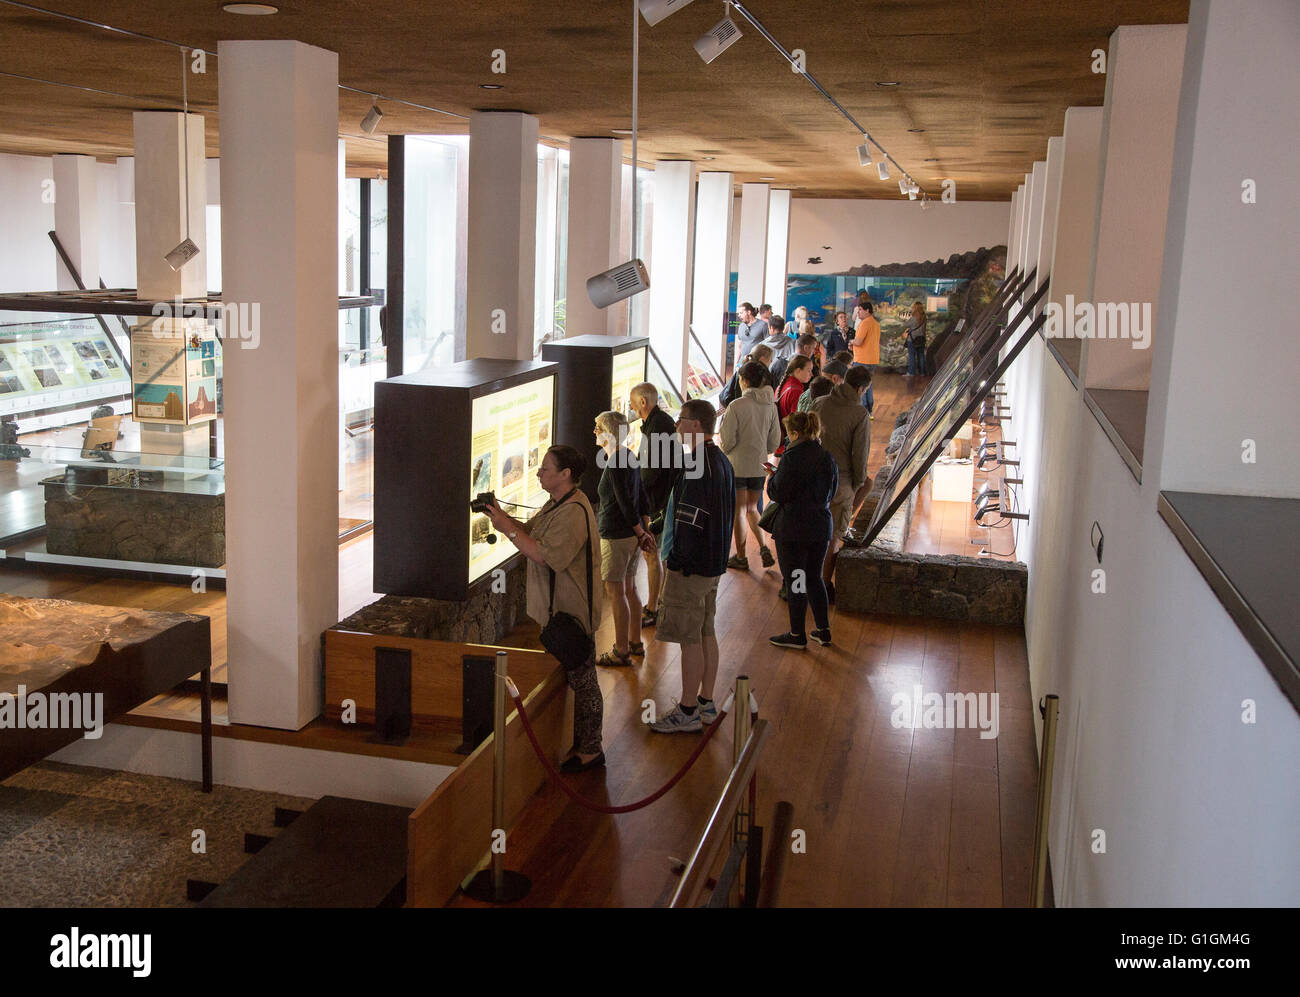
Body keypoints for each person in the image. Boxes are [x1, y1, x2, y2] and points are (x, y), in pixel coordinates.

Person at [484, 445, 606, 772]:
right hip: (560, 611)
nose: (538, 472)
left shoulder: (573, 512)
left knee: (583, 680)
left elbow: (543, 555)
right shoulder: (560, 503)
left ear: (565, 474)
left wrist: (507, 528)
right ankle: (574, 741)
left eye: (545, 469)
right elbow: (532, 534)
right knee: (572, 676)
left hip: (573, 612)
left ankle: (591, 749)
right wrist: (501, 516)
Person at [647, 399, 735, 734]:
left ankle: (687, 710)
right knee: (705, 631)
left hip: (692, 567)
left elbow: (690, 520)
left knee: (689, 637)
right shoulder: (719, 460)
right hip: (712, 563)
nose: (677, 426)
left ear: (696, 425)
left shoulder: (698, 465)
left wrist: (677, 561)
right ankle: (705, 702)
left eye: (681, 419)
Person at [766, 411, 838, 649]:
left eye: (789, 433)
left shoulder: (791, 457)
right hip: (821, 526)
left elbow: (778, 492)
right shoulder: (826, 456)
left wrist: (772, 478)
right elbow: (832, 491)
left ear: (795, 433)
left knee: (796, 579)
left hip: (794, 529)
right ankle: (823, 631)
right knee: (815, 578)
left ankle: (797, 634)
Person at [592, 411, 655, 667]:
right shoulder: (628, 456)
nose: (594, 432)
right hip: (631, 535)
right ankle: (635, 641)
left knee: (615, 592)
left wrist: (641, 533)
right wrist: (644, 531)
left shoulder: (616, 461)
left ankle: (621, 650)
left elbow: (625, 502)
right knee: (630, 588)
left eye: (598, 428)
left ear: (608, 433)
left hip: (617, 536)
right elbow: (642, 498)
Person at [811, 365, 872, 604]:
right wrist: (858, 484)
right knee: (833, 537)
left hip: (812, 476)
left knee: (811, 534)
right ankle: (823, 587)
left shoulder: (820, 403)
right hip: (841, 480)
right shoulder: (859, 414)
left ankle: (800, 584)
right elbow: (860, 454)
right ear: (861, 389)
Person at [719, 360, 780, 570]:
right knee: (753, 508)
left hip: (737, 466)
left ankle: (741, 556)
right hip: (760, 465)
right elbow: (774, 442)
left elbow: (726, 442)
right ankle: (763, 546)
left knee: (739, 511)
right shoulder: (771, 406)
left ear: (744, 381)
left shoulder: (736, 405)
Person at [630, 381, 679, 629]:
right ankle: (662, 602)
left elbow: (650, 473)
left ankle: (652, 608)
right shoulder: (661, 422)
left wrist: (634, 486)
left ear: (643, 402)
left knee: (651, 554)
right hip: (663, 498)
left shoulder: (657, 427)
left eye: (632, 403)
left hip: (656, 502)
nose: (631, 408)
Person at [718, 342, 775, 408]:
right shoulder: (756, 376)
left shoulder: (743, 369)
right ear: (762, 359)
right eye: (770, 359)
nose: (771, 361)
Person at [851, 299, 880, 416]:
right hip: (873, 359)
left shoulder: (865, 323)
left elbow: (858, 342)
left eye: (860, 310)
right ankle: (869, 411)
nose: (858, 313)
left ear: (867, 310)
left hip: (862, 359)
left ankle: (862, 412)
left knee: (860, 386)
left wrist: (851, 341)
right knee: (868, 385)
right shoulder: (876, 323)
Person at [776, 354, 813, 424]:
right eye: (809, 371)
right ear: (798, 370)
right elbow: (797, 423)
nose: (811, 374)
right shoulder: (796, 391)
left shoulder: (781, 386)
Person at [733, 301, 768, 370]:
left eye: (741, 313)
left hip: (756, 363)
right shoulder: (741, 326)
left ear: (749, 312)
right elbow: (739, 346)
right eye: (739, 313)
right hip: (742, 363)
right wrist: (736, 363)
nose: (739, 315)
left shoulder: (763, 325)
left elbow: (768, 345)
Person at [903, 301, 928, 376]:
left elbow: (905, 324)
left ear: (915, 308)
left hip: (912, 339)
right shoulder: (924, 318)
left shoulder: (913, 318)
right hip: (921, 339)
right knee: (921, 356)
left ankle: (911, 372)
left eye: (913, 307)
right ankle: (922, 372)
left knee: (912, 356)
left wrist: (906, 319)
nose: (912, 308)